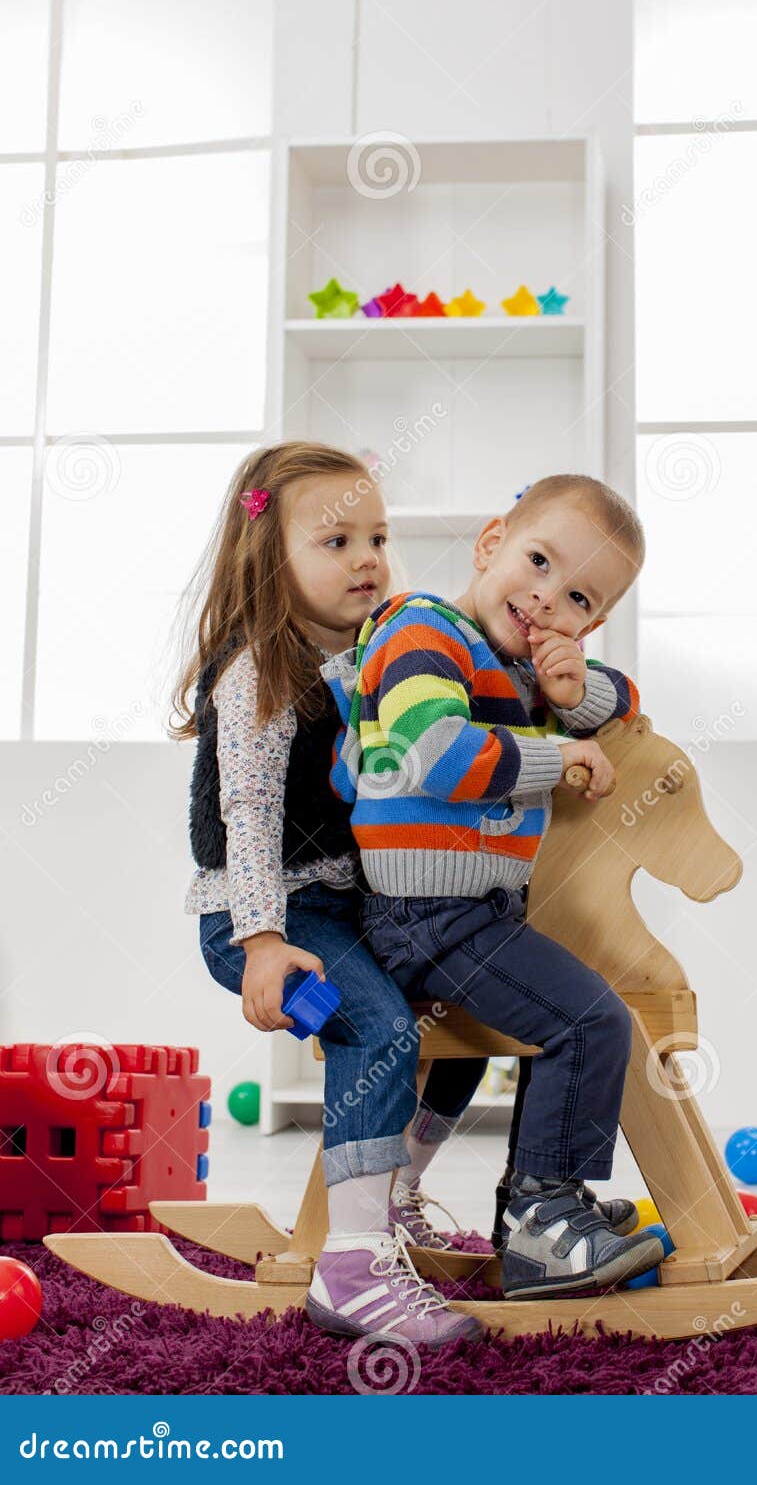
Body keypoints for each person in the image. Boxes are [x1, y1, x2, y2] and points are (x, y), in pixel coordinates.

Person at [324, 474, 665, 1299]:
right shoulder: (423, 631)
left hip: (468, 913)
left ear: (591, 623)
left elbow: (622, 704)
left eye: (577, 597)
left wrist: (574, 688)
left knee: (481, 1052)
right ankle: (540, 1220)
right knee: (587, 1019)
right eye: (538, 561)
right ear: (490, 545)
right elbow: (432, 752)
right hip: (422, 913)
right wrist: (560, 755)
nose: (546, 598)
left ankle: (471, 1199)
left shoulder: (519, 667)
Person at [174, 440, 484, 1345]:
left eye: (377, 538)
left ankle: (392, 1196)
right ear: (270, 559)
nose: (367, 559)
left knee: (472, 1015)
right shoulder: (257, 674)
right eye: (336, 541)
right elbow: (246, 815)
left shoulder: (376, 652)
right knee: (380, 1031)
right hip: (267, 913)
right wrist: (262, 940)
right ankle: (352, 1269)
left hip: (352, 906)